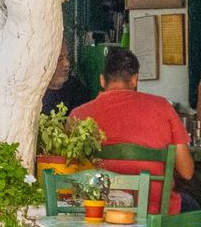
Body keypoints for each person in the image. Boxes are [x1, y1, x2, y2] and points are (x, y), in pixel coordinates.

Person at [70, 48, 194, 214]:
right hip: (155, 214)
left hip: (98, 211)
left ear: (102, 80)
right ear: (135, 79)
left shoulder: (78, 115)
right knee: (192, 206)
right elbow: (187, 172)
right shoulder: (163, 107)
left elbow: (69, 171)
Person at [39, 40, 94, 114]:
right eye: (59, 59)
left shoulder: (77, 89)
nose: (67, 64)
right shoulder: (35, 94)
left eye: (67, 57)